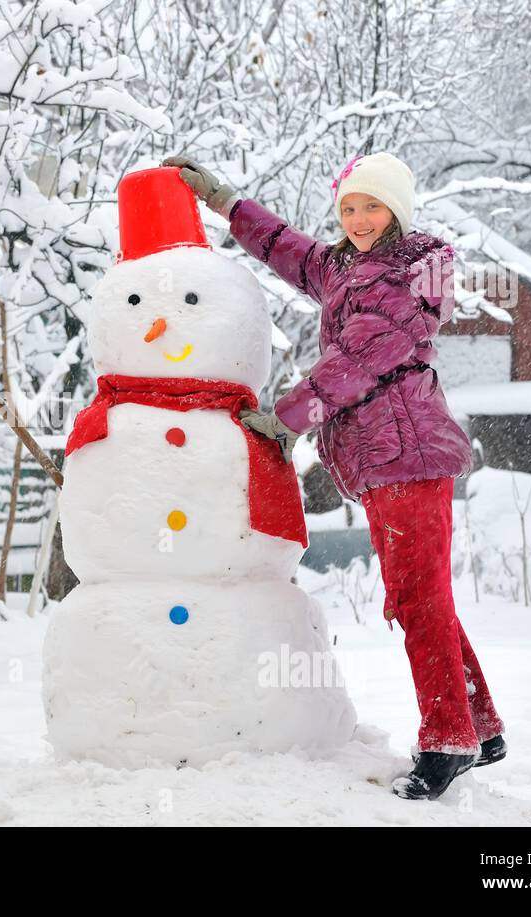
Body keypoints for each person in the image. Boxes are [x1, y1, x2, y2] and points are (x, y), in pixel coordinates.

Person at [162, 151, 506, 801]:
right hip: (383, 463)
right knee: (421, 595)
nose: (358, 218)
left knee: (417, 600)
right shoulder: (345, 268)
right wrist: (226, 202)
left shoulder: (411, 277)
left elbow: (361, 360)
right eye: (348, 207)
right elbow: (286, 247)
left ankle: (447, 739)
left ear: (397, 211)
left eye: (372, 206)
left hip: (407, 455)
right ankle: (477, 724)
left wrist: (290, 418)